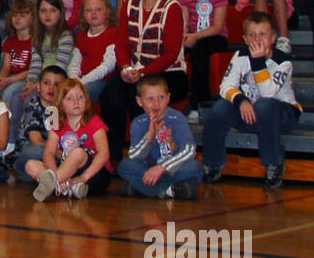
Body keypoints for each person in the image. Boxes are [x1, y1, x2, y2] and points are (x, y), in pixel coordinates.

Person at [201, 12, 301, 189]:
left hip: (281, 115)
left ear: (273, 39)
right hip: (251, 113)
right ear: (245, 39)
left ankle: (274, 164)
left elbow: (267, 93)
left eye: (262, 34)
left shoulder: (282, 61)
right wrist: (241, 100)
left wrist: (257, 62)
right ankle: (212, 163)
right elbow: (225, 87)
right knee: (220, 108)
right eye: (252, 35)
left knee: (264, 105)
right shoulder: (240, 55)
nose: (257, 39)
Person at [25, 78, 112, 200]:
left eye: (80, 97)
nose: (76, 101)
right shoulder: (57, 124)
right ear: (60, 104)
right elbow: (49, 153)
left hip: (94, 173)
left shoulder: (93, 121)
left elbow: (104, 154)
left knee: (77, 152)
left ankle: (55, 184)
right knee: (31, 165)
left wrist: (85, 177)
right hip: (68, 171)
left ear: (86, 99)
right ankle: (68, 188)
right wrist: (56, 173)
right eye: (69, 99)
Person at [118, 75, 202, 199]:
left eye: (161, 98)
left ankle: (143, 189)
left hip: (174, 170)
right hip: (148, 170)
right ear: (139, 101)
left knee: (194, 167)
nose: (156, 103)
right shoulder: (138, 122)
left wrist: (163, 167)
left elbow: (189, 150)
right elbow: (134, 156)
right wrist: (149, 136)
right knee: (125, 165)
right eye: (150, 99)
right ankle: (171, 190)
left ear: (168, 98)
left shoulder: (178, 118)